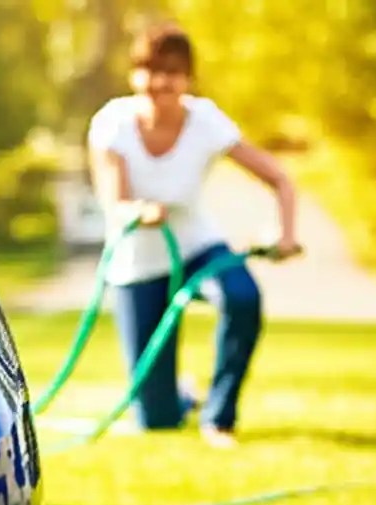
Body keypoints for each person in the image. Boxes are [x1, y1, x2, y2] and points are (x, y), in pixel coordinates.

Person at [86, 22, 302, 448]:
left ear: (187, 79)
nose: (159, 82)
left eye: (171, 71)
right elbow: (114, 203)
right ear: (134, 75)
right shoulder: (112, 123)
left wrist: (287, 235)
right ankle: (179, 399)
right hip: (138, 263)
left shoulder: (206, 120)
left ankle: (219, 418)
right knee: (156, 421)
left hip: (196, 249)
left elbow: (279, 178)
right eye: (148, 70)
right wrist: (140, 211)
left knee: (242, 297)